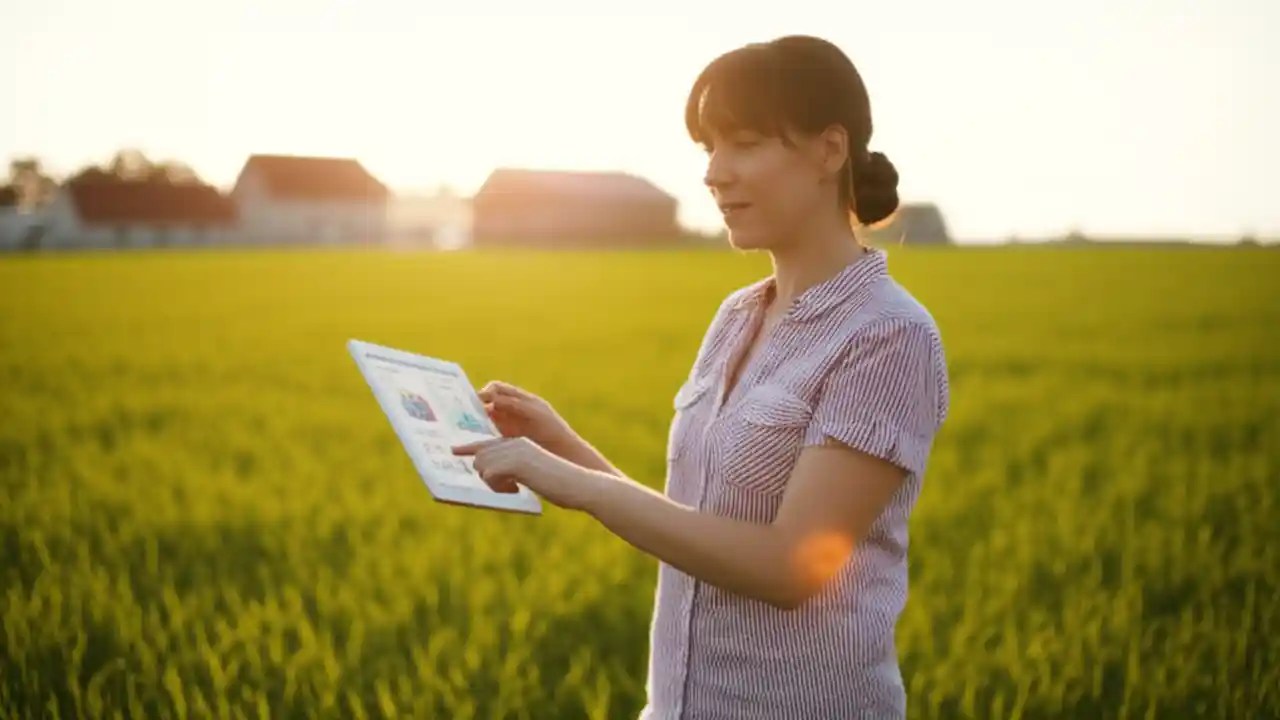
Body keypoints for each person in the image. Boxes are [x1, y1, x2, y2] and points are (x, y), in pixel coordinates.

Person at [453, 34, 950, 719]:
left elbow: (791, 565)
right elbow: (701, 529)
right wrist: (562, 445)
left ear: (829, 152)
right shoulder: (738, 316)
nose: (715, 173)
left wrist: (574, 484)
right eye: (708, 149)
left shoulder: (887, 336)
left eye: (743, 143)